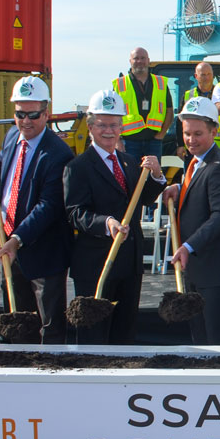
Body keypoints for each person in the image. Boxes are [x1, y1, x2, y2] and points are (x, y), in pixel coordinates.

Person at [64, 89, 165, 344]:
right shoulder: (77, 167)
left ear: (121, 127)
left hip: (129, 262)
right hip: (96, 263)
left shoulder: (129, 162)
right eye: (102, 125)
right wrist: (106, 223)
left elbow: (142, 199)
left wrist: (156, 176)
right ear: (90, 127)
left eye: (114, 125)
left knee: (125, 332)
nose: (108, 131)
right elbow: (75, 213)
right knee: (94, 335)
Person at [0, 76, 75, 344]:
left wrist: (17, 239)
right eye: (20, 114)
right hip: (10, 246)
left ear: (46, 114)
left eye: (33, 115)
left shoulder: (58, 154)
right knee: (17, 321)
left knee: (49, 325)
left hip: (43, 251)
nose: (25, 121)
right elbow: (1, 159)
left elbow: (48, 206)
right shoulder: (13, 136)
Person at [164, 97, 220, 345]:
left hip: (215, 271)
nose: (191, 140)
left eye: (198, 134)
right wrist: (180, 188)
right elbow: (202, 191)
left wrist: (189, 246)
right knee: (200, 339)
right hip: (198, 268)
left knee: (216, 339)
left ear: (214, 131)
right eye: (187, 133)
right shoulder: (197, 162)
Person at [111, 46, 173, 161]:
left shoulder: (160, 83)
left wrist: (161, 134)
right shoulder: (120, 84)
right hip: (128, 142)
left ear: (148, 61)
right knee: (129, 172)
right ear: (130, 61)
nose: (139, 61)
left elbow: (169, 110)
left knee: (153, 172)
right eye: (136, 58)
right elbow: (112, 115)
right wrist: (117, 140)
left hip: (154, 141)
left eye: (143, 58)